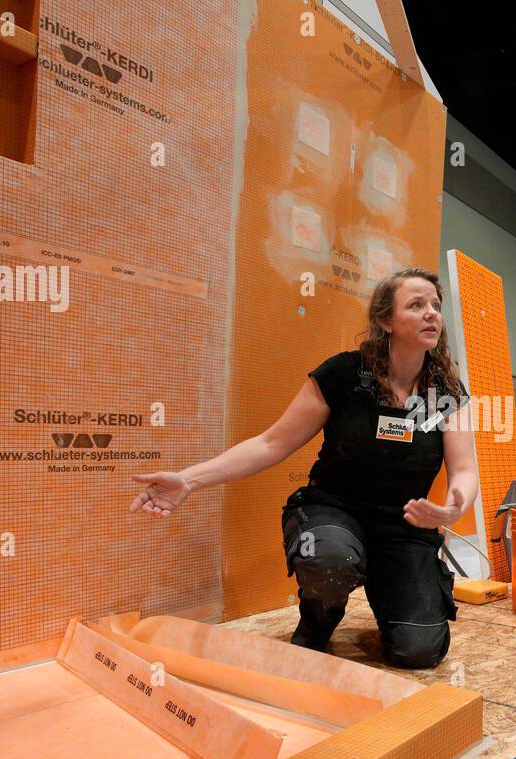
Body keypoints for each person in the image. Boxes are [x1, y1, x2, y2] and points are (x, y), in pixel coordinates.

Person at [127, 268, 477, 669]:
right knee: (330, 562)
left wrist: (455, 507)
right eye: (416, 305)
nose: (431, 313)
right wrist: (189, 479)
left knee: (419, 652)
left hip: (403, 526)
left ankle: (394, 593)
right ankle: (318, 619)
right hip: (335, 510)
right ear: (385, 320)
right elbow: (270, 443)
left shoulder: (445, 393)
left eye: (435, 305)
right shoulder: (344, 374)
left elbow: (464, 471)